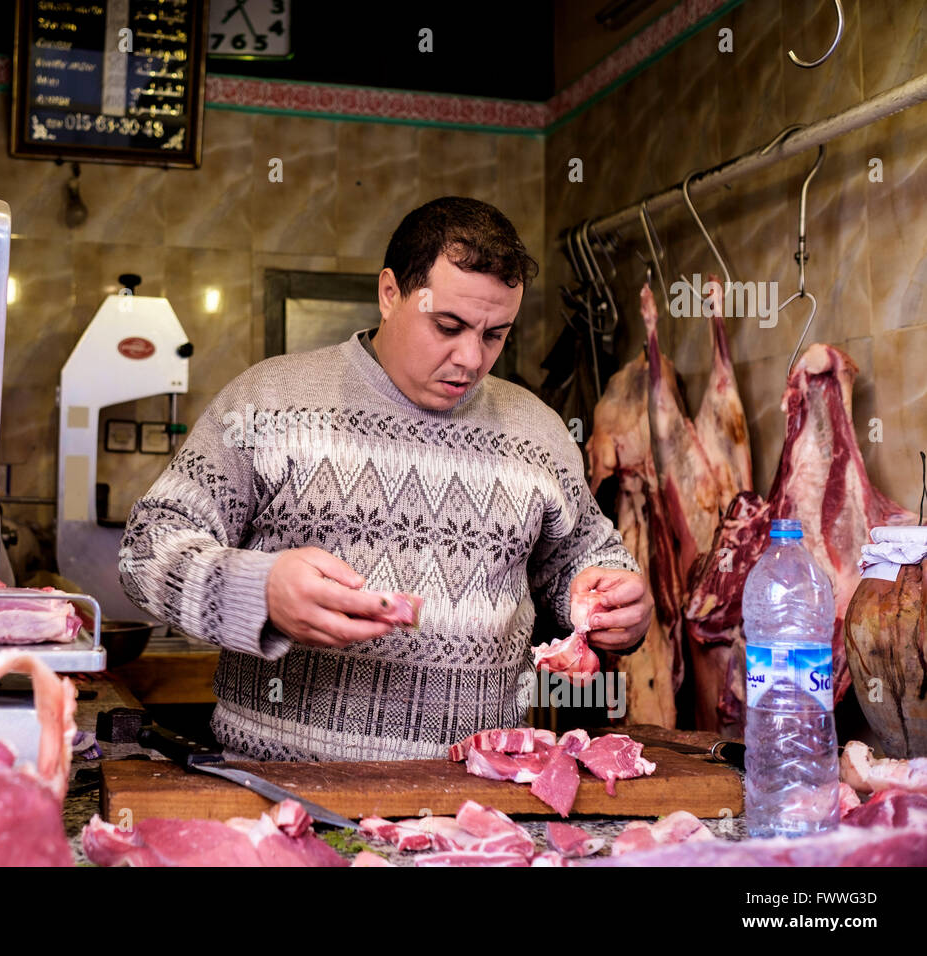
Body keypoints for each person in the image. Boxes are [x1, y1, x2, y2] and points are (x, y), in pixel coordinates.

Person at [119, 196, 653, 761]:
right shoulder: (267, 404)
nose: (471, 358)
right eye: (448, 326)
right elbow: (144, 549)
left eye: (496, 334)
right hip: (283, 798)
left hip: (475, 807)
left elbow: (583, 559)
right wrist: (260, 591)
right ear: (390, 293)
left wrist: (616, 602)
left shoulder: (538, 431)